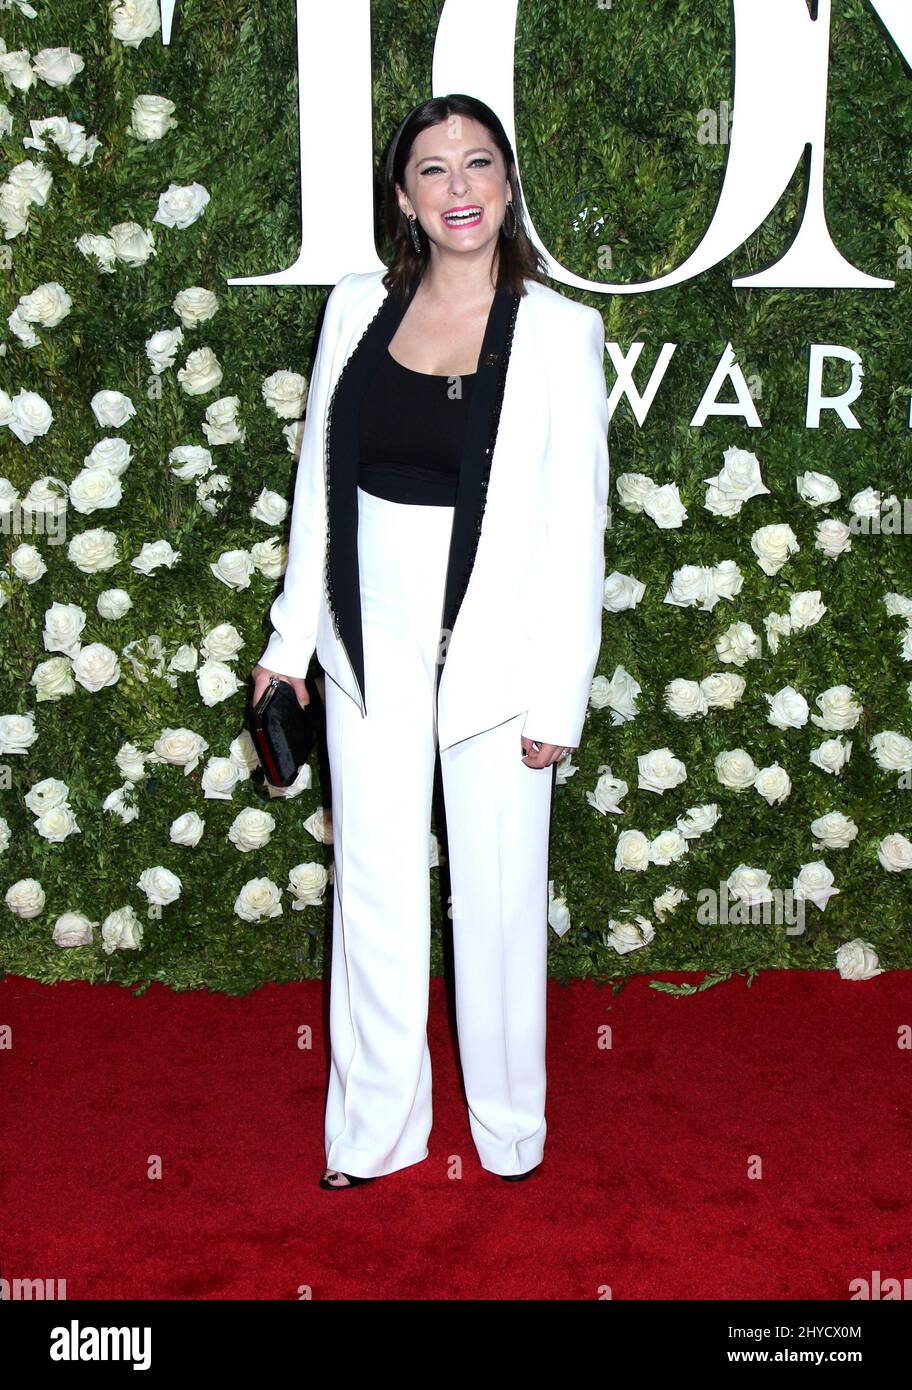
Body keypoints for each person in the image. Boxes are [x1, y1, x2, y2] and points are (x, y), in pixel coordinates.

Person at [250, 92, 610, 1189]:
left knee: (498, 900)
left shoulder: (559, 330)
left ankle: (508, 1131)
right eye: (434, 170)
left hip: (501, 656)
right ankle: (374, 1132)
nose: (460, 190)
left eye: (479, 165)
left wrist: (559, 698)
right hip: (370, 636)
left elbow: (575, 528)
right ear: (402, 198)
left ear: (509, 184)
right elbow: (321, 483)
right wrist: (290, 640)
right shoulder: (357, 305)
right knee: (371, 885)